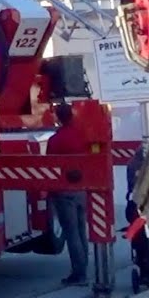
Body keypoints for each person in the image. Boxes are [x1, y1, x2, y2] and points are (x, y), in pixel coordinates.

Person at [46, 102, 89, 286]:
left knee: (71, 233)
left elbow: (50, 166)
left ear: (58, 117)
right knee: (80, 231)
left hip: (63, 192)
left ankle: (78, 273)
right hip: (81, 189)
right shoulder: (81, 136)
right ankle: (84, 268)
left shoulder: (55, 140)